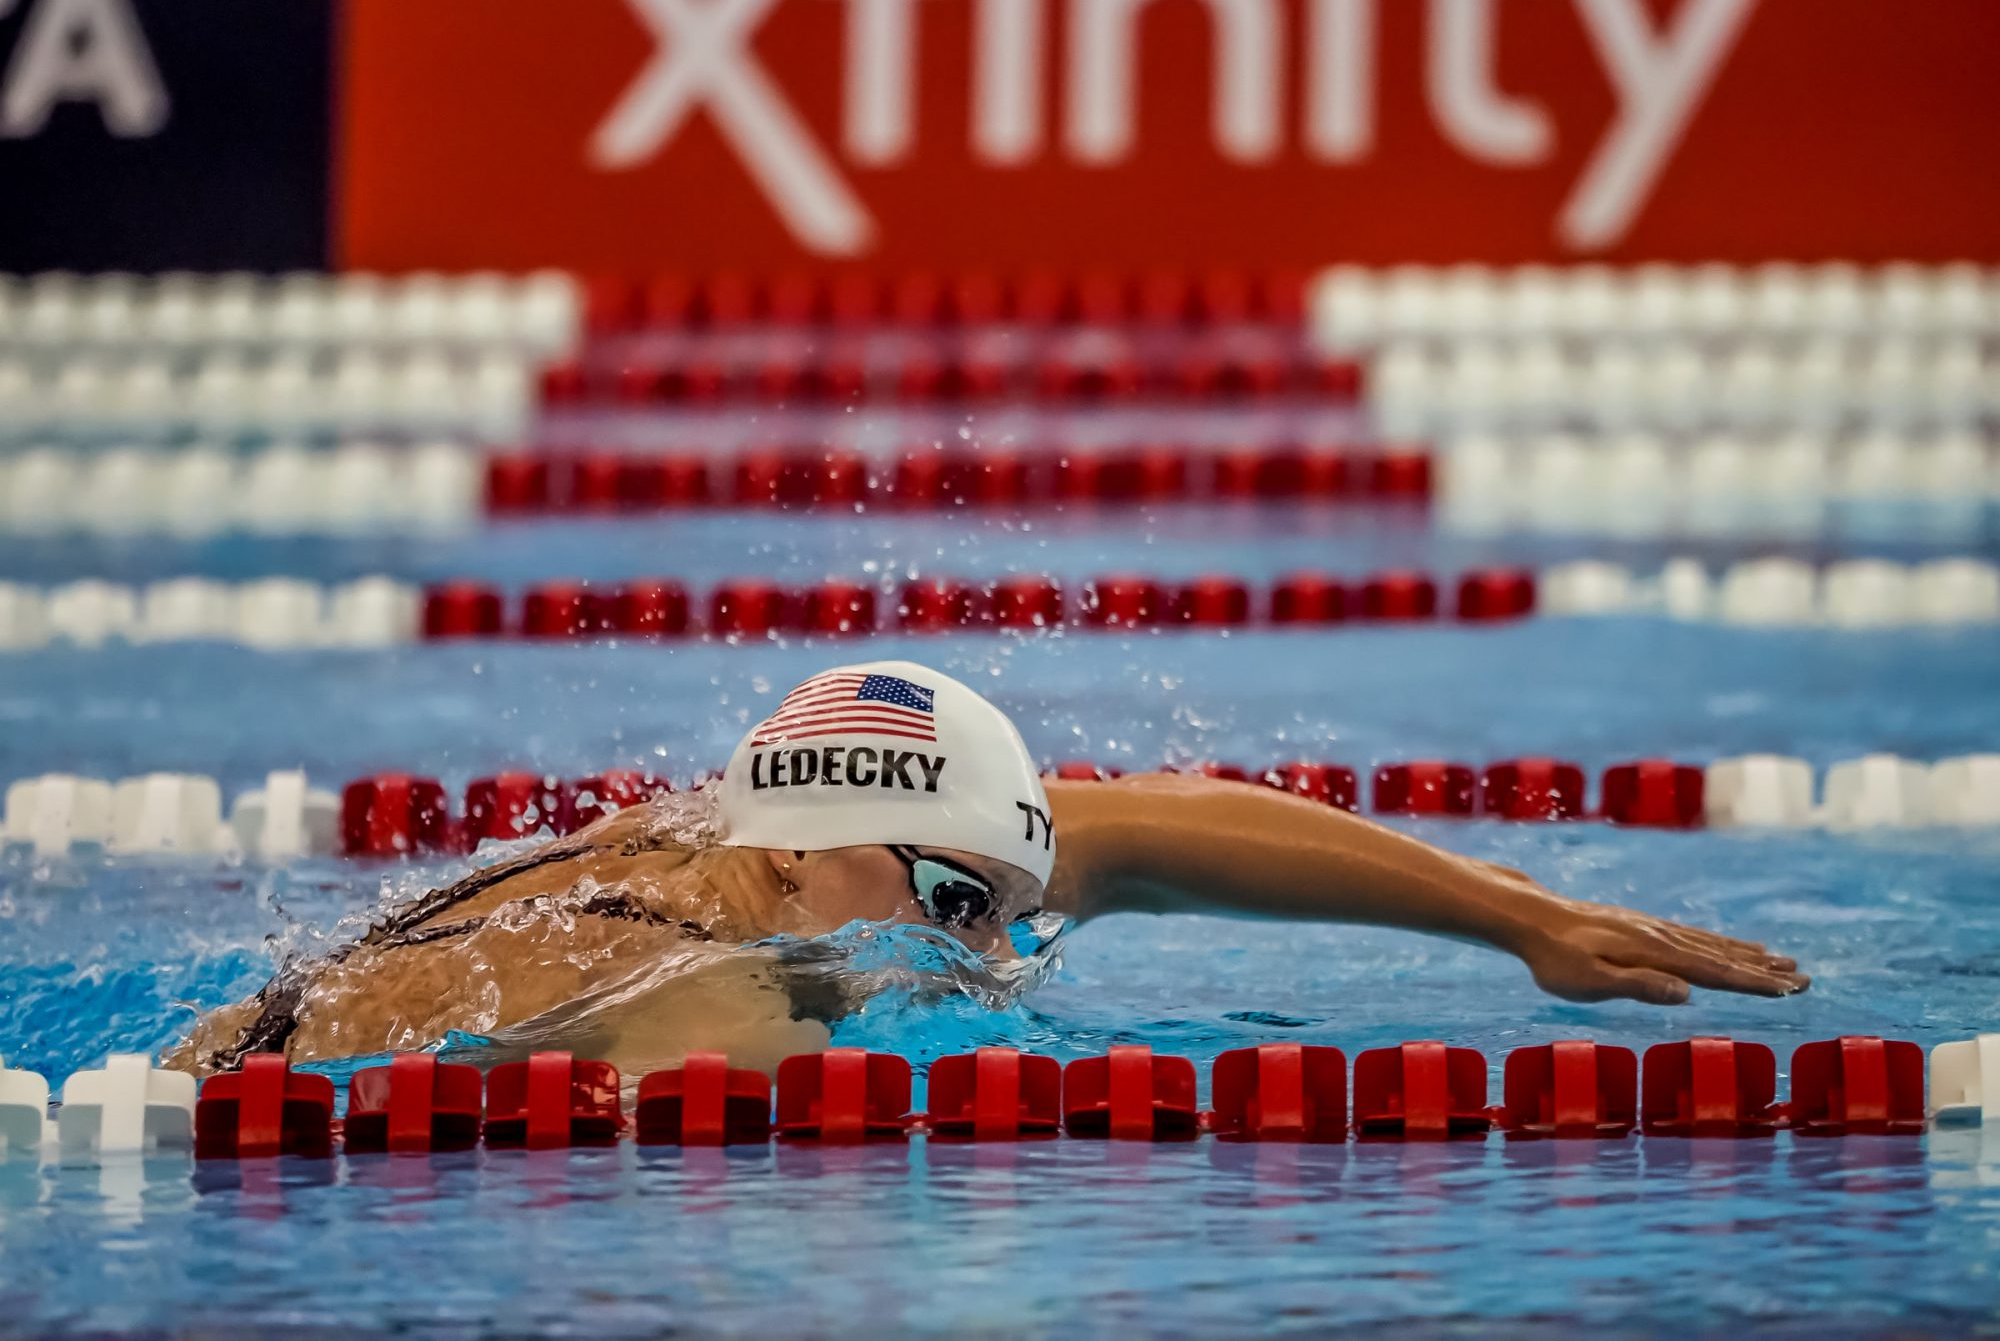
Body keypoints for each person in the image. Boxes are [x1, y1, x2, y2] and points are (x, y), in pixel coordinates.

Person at [167, 659, 1806, 1079]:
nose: (990, 957)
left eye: (1001, 915)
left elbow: (1146, 830)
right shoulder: (701, 986)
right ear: (825, 849)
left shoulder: (777, 844)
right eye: (958, 911)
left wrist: (1527, 923)